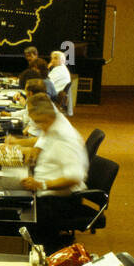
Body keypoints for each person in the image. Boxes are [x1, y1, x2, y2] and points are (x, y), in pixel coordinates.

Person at [20, 94, 89, 250]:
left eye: (37, 122)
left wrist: (41, 184)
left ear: (46, 117)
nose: (36, 127)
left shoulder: (65, 138)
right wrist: (33, 152)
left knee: (23, 216)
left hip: (61, 200)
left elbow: (74, 177)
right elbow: (41, 144)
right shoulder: (52, 125)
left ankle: (45, 251)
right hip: (47, 192)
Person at [6, 79, 51, 147]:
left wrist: (16, 141)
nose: (25, 93)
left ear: (30, 93)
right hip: (32, 138)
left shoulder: (38, 107)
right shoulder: (42, 102)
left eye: (25, 91)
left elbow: (34, 137)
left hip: (34, 141)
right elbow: (30, 125)